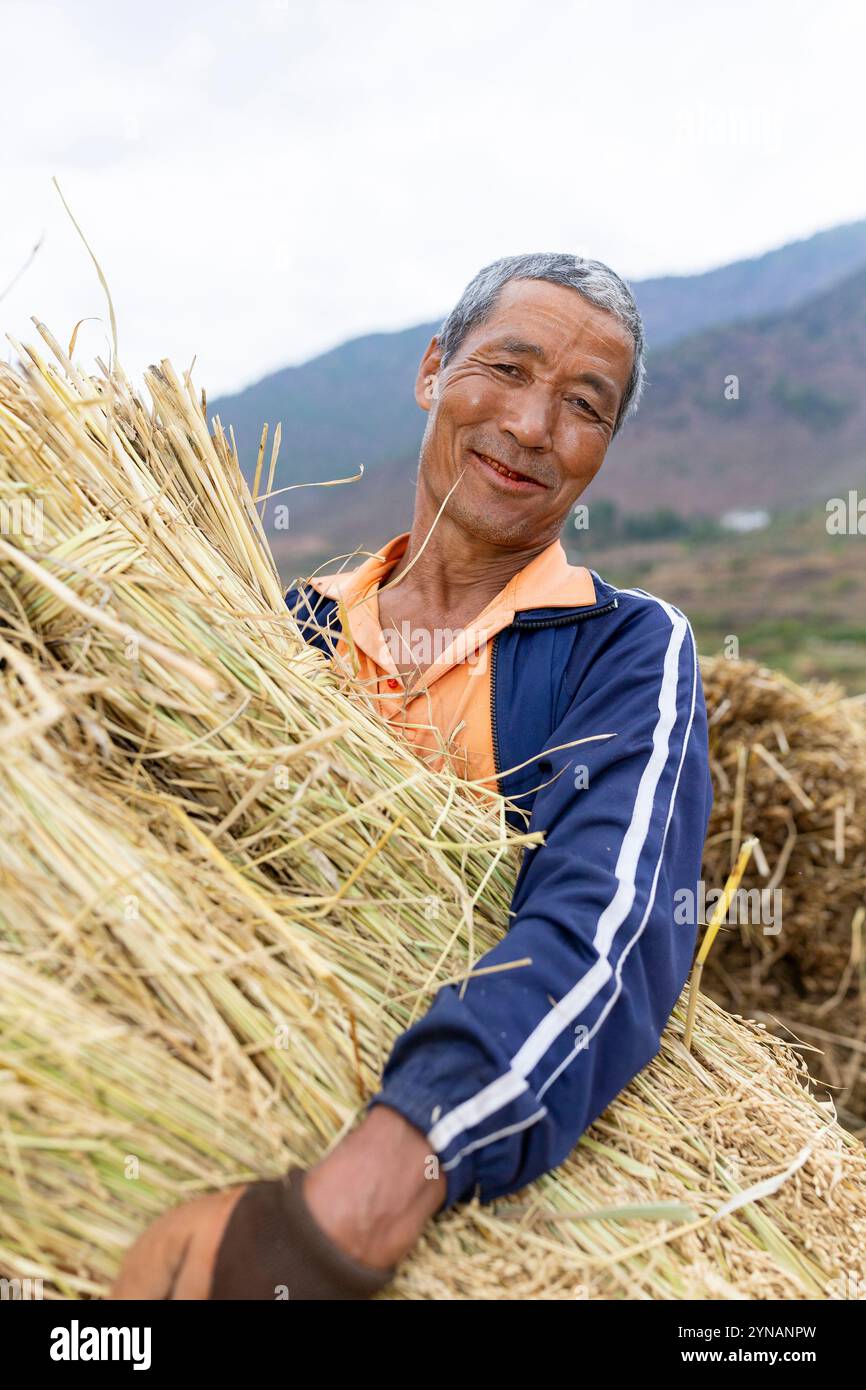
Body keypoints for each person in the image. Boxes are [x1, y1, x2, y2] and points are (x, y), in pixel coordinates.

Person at [112, 252, 713, 1300]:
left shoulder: (620, 650)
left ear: (603, 450)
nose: (530, 426)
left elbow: (605, 929)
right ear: (433, 369)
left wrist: (363, 1194)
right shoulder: (282, 631)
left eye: (582, 405)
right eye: (507, 369)